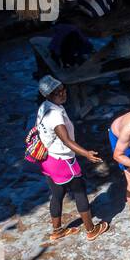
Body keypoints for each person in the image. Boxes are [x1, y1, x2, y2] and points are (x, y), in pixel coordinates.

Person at [34, 76, 109, 242]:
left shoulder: (44, 107)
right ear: (48, 95)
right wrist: (86, 154)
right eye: (58, 92)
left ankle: (57, 230)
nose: (63, 93)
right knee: (80, 191)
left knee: (57, 193)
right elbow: (67, 141)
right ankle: (91, 229)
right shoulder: (54, 115)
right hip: (62, 161)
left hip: (47, 160)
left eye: (63, 89)